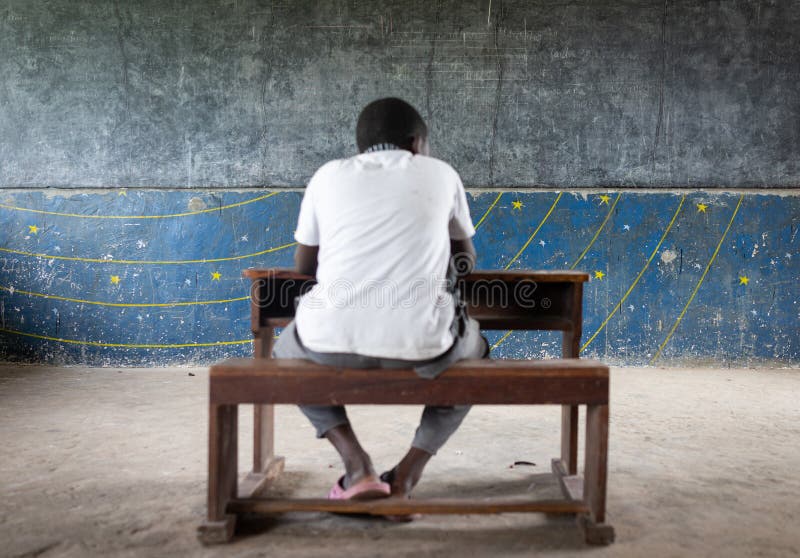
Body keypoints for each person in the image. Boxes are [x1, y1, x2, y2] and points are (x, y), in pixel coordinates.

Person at [272, 97, 489, 508]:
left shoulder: (328, 176)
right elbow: (465, 260)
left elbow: (304, 265)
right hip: (424, 344)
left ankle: (356, 466)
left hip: (329, 340)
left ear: (361, 147)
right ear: (415, 143)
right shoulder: (441, 173)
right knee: (474, 361)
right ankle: (407, 475)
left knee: (283, 352)